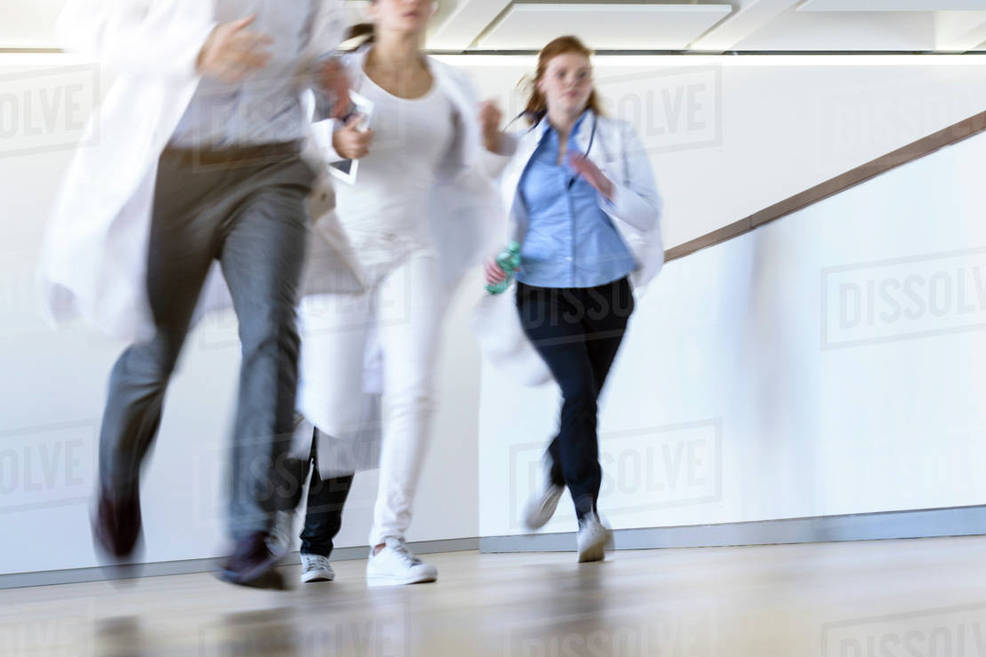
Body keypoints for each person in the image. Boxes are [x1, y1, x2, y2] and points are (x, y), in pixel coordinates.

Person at [39, 0, 361, 589]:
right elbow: (81, 22)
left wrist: (330, 70)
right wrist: (193, 50)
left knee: (273, 332)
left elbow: (318, 40)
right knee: (154, 352)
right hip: (173, 170)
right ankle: (117, 477)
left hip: (273, 165)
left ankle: (251, 530)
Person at [284, 0, 504, 584]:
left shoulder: (453, 85)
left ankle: (388, 544)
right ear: (372, 6)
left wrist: (491, 145)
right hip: (340, 248)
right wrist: (336, 140)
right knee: (335, 406)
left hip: (414, 251)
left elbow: (468, 179)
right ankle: (278, 504)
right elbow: (290, 143)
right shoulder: (337, 70)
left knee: (415, 392)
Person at [478, 36, 664, 562]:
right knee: (579, 390)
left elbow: (648, 215)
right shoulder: (520, 147)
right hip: (541, 291)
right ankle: (589, 517)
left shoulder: (616, 138)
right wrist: (494, 262)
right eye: (562, 73)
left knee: (583, 403)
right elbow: (497, 221)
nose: (573, 83)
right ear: (542, 82)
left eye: (582, 74)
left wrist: (603, 183)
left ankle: (554, 473)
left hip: (608, 291)